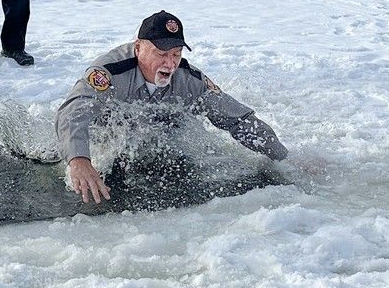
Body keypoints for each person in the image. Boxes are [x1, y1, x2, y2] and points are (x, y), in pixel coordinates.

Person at [56, 11, 288, 203]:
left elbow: (238, 119)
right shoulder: (110, 73)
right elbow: (73, 112)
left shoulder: (189, 80)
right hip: (106, 134)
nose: (170, 63)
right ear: (138, 48)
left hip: (159, 135)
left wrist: (282, 157)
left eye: (176, 54)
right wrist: (79, 160)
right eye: (161, 53)